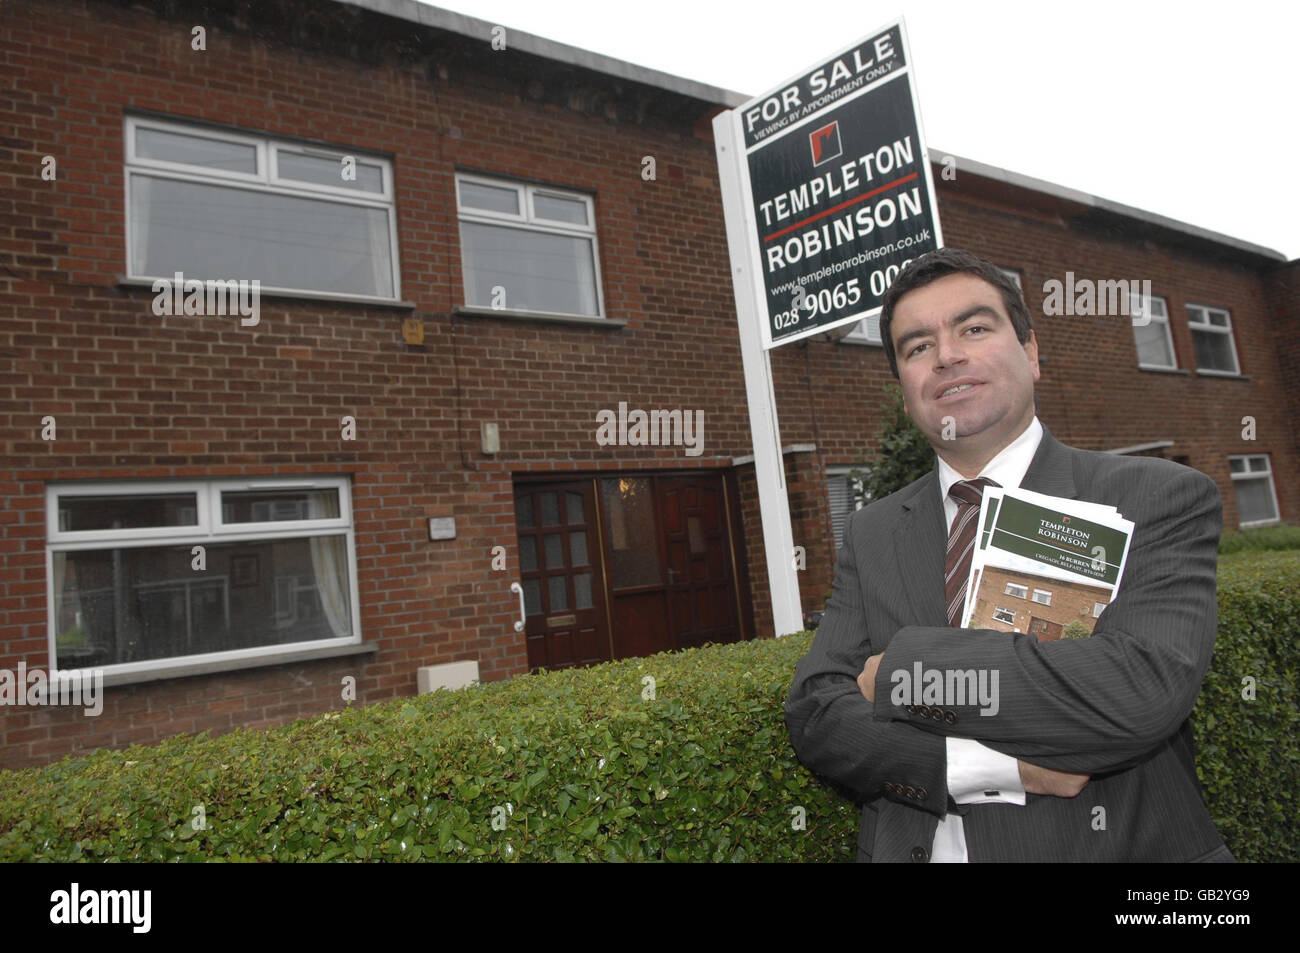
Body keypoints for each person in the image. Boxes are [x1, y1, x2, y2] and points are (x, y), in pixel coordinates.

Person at [785, 248, 1234, 862]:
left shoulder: (1155, 496)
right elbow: (817, 714)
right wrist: (991, 767)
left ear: (1031, 353)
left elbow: (1136, 690)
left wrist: (902, 674)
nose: (946, 355)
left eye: (973, 328)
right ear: (905, 388)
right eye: (918, 347)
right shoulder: (873, 530)